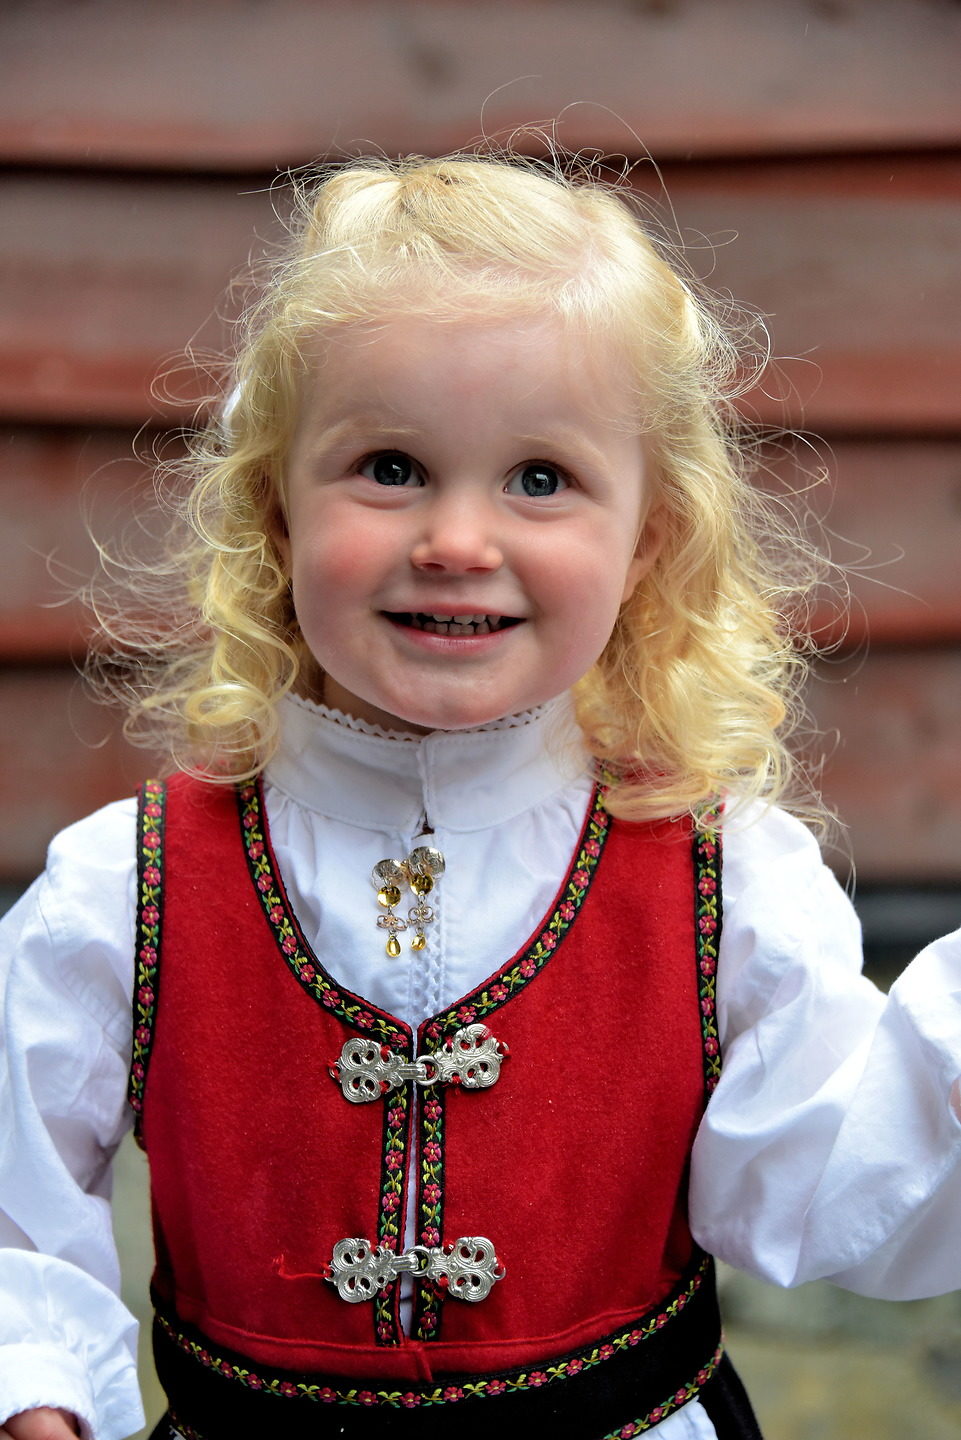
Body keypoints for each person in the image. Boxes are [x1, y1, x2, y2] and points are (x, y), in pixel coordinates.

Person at [0, 153, 959, 1440]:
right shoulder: (126, 885)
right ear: (274, 518)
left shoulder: (727, 879)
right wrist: (37, 1387)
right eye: (390, 467)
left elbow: (841, 1183)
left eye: (541, 479)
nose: (458, 539)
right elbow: (13, 1205)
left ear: (649, 541)